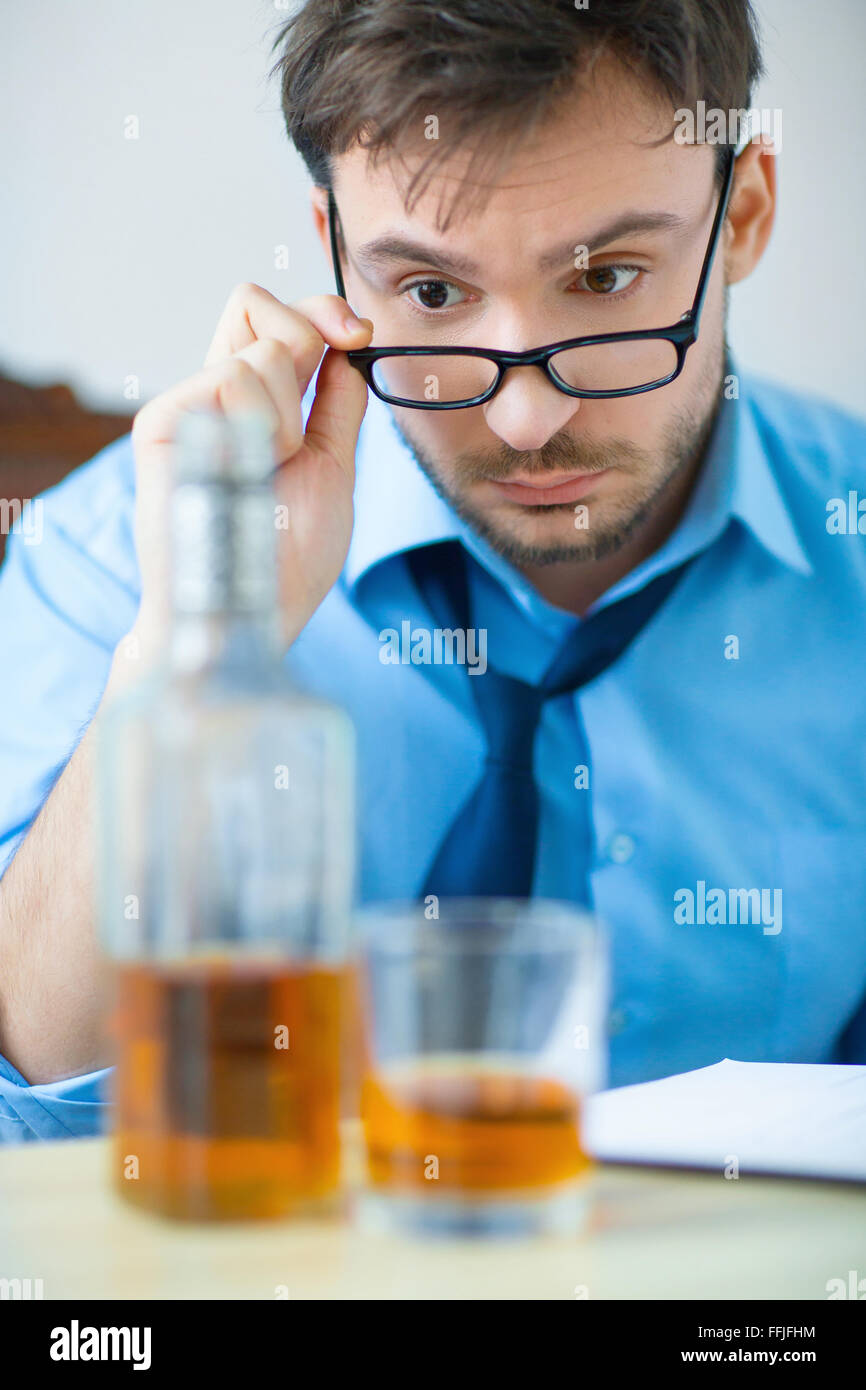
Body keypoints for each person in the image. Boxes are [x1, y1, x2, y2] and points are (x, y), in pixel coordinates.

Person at [1, 0, 864, 1142]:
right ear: (333, 255)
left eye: (605, 280)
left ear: (741, 214)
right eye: (432, 294)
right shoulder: (111, 556)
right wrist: (195, 645)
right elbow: (30, 1110)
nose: (522, 414)